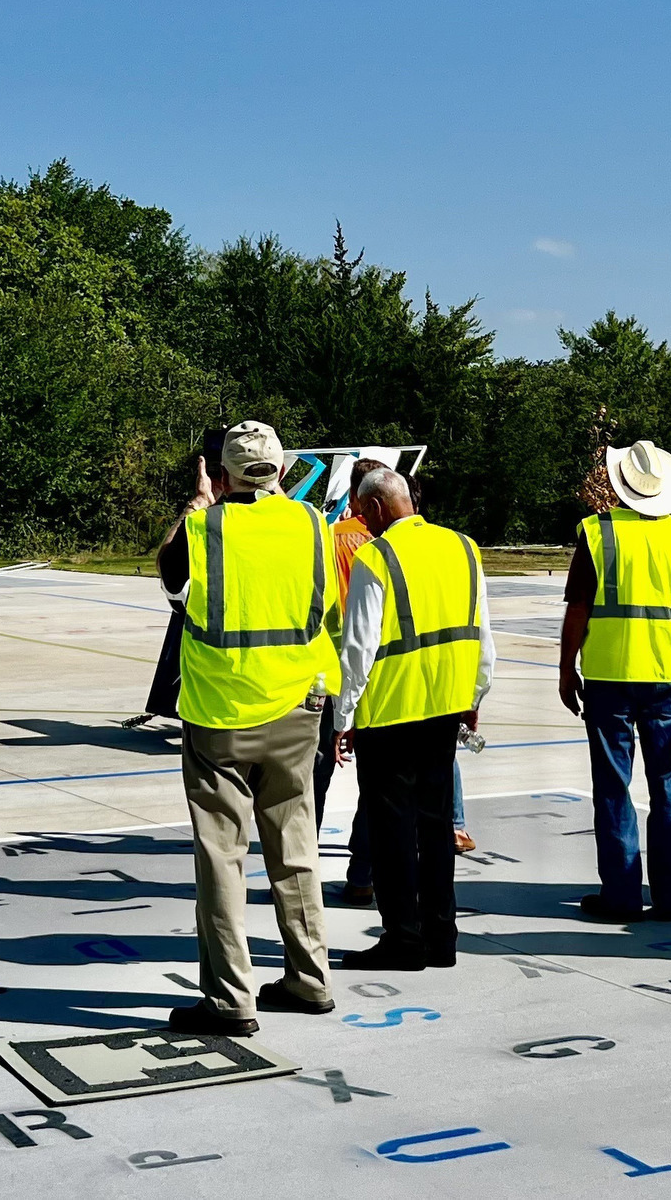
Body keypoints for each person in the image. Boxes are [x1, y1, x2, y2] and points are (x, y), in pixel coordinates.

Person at [153, 421, 339, 1035]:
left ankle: (230, 999)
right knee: (296, 851)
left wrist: (196, 505)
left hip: (220, 716)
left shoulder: (204, 531)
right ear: (282, 469)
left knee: (222, 858)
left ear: (222, 472)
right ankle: (310, 979)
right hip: (299, 706)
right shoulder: (316, 526)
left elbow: (171, 582)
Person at [331, 469, 495, 969]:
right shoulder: (463, 547)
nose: (360, 521)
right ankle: (441, 936)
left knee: (392, 833)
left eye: (362, 512)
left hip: (391, 713)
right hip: (446, 708)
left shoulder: (375, 558)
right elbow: (483, 633)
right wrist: (474, 695)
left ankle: (403, 938)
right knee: (435, 825)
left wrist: (344, 716)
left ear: (378, 508)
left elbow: (359, 646)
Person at [558, 440, 671, 923]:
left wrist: (566, 670)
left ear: (621, 487)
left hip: (608, 676)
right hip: (670, 678)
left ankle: (622, 894)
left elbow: (579, 608)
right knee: (670, 787)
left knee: (613, 788)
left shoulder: (597, 533)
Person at [314, 456, 389, 906]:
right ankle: (363, 873)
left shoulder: (331, 537)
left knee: (317, 773)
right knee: (377, 781)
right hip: (379, 672)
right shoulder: (389, 545)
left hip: (334, 668)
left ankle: (303, 857)